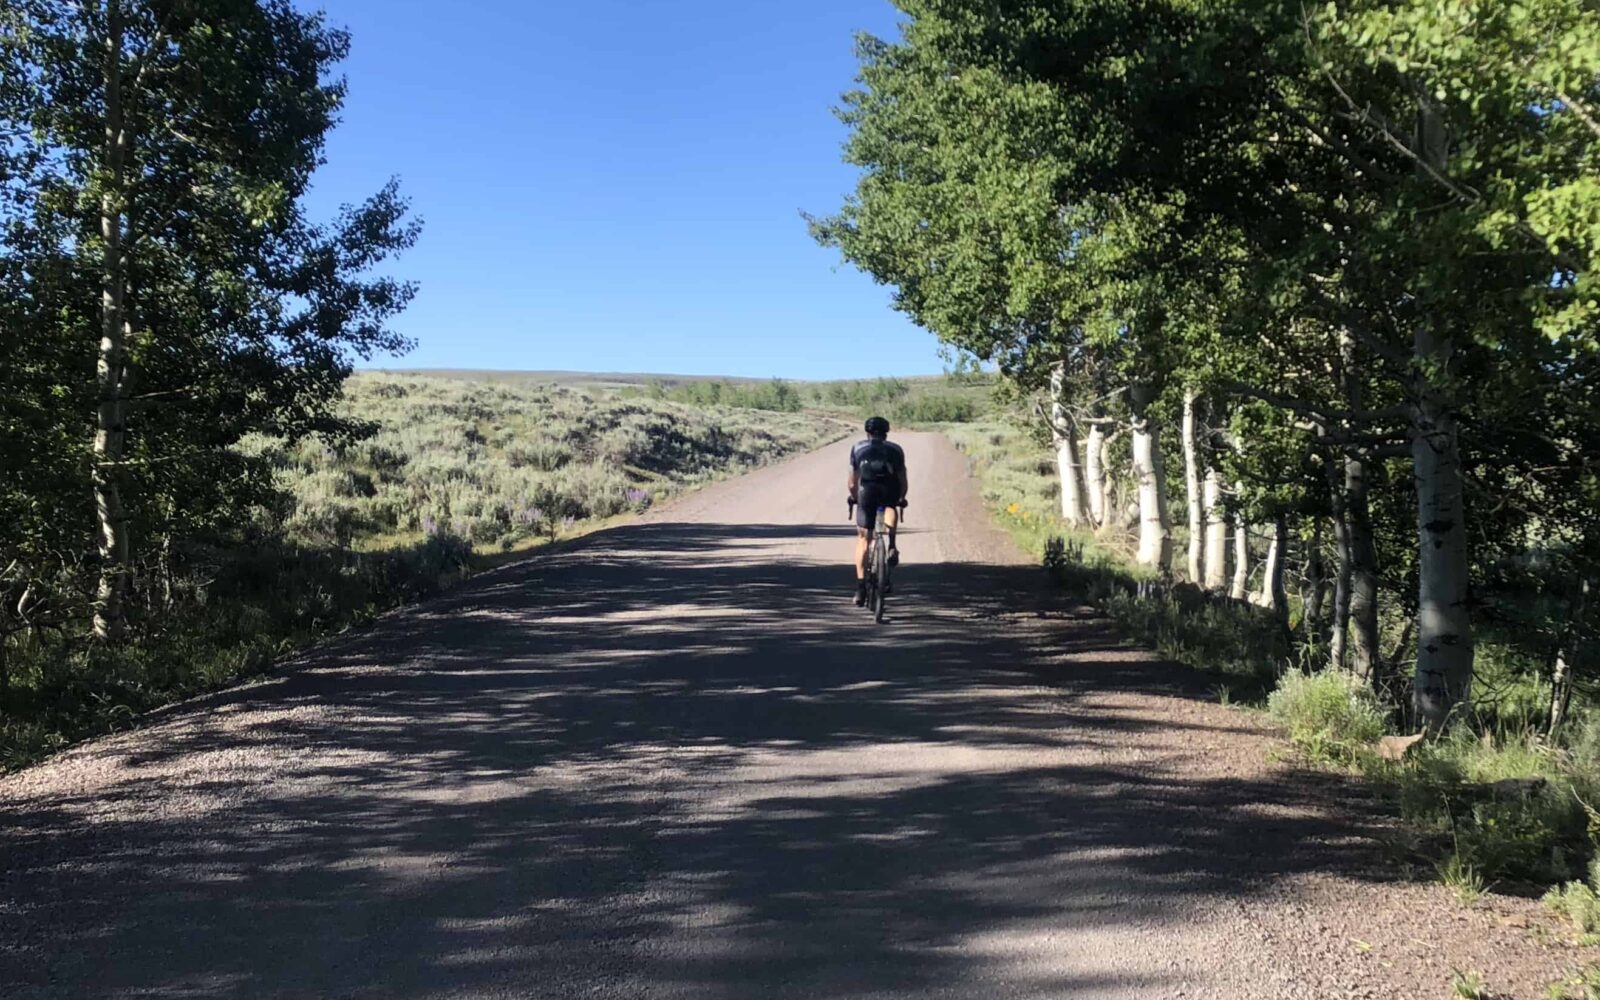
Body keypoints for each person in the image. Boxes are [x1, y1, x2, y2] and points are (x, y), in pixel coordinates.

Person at [848, 415, 908, 606]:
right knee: (890, 506)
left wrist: (854, 497)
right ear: (886, 433)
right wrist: (901, 497)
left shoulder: (858, 448)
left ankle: (860, 588)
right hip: (888, 490)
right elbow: (902, 479)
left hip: (868, 491)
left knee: (863, 539)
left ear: (867, 432)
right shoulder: (896, 449)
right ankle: (891, 544)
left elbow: (852, 481)